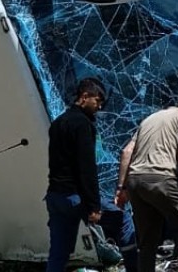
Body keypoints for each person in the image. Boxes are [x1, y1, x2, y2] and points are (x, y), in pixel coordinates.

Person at [45, 78, 137, 272]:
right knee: (123, 221)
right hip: (76, 197)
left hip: (56, 196)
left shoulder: (58, 123)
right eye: (98, 100)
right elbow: (86, 167)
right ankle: (134, 268)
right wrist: (93, 206)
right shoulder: (83, 124)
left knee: (59, 253)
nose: (100, 106)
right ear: (84, 96)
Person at [114, 100, 178, 272]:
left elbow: (126, 152)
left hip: (135, 182)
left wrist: (121, 188)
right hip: (160, 178)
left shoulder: (149, 119)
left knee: (147, 238)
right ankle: (175, 269)